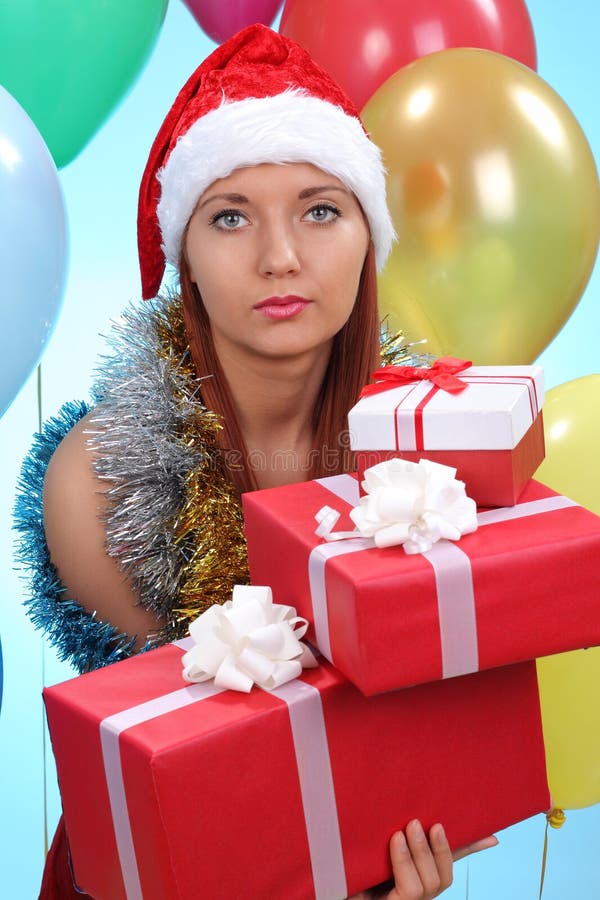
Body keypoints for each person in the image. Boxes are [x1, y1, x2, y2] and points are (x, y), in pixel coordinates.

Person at [15, 24, 497, 900]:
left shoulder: (432, 445)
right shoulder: (101, 479)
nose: (281, 257)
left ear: (367, 237)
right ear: (185, 257)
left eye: (321, 209)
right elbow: (205, 760)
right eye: (230, 216)